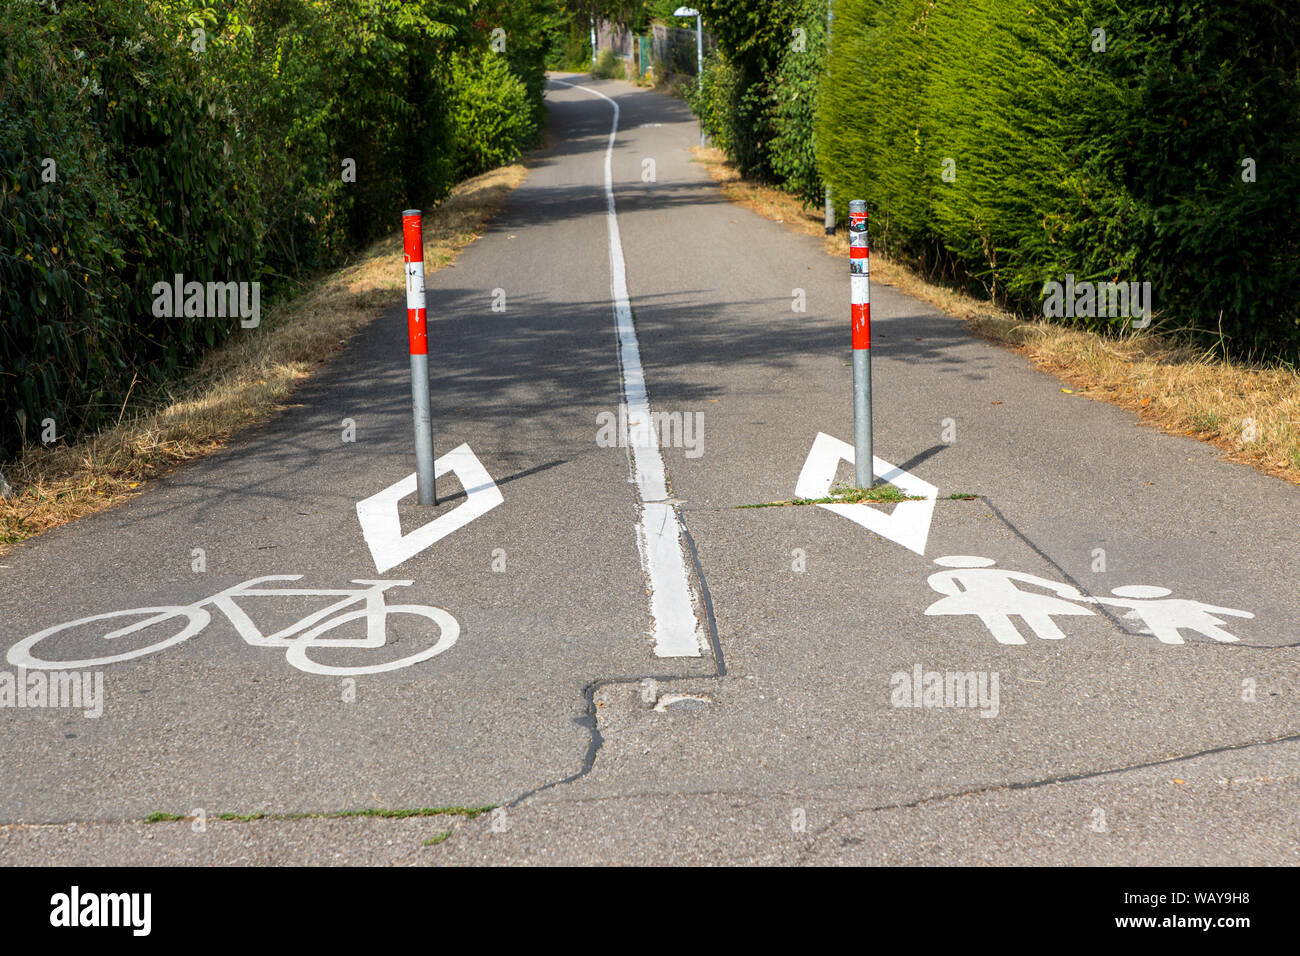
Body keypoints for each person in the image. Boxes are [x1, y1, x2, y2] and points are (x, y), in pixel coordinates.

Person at [924, 556, 1093, 645]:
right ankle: (1049, 633)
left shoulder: (949, 573)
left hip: (981, 596)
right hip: (1010, 594)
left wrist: (956, 595)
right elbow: (1030, 579)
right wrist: (1057, 587)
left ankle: (1012, 636)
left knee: (993, 613)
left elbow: (941, 585)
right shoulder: (993, 572)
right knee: (1032, 610)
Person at [1090, 585, 1253, 644]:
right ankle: (1229, 639)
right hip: (1191, 618)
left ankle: (1228, 639)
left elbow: (1118, 602)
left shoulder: (1138, 603)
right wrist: (1242, 614)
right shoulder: (1179, 602)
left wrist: (1088, 598)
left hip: (1164, 621)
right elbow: (1208, 607)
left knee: (1169, 634)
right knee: (1207, 629)